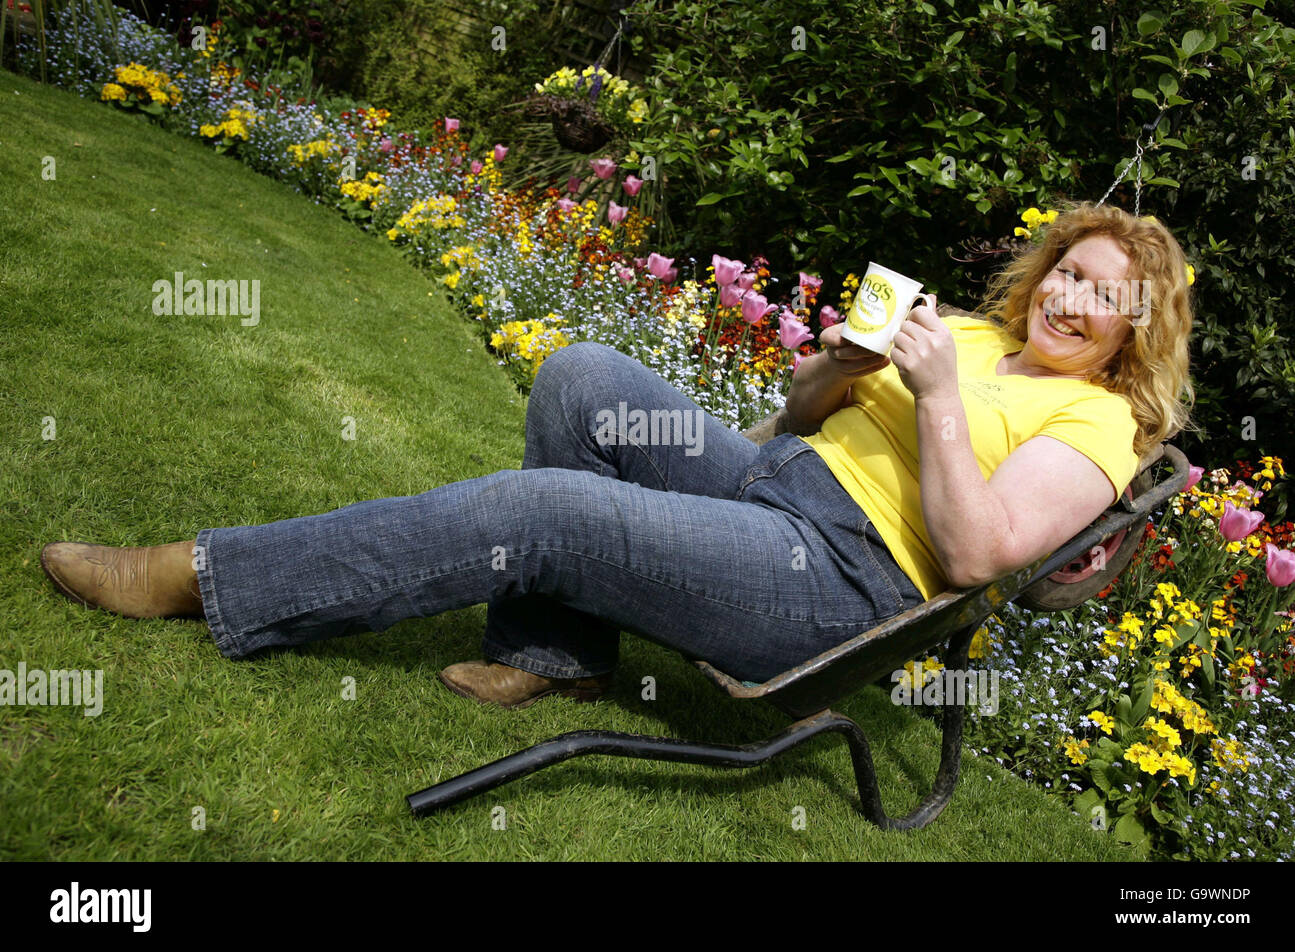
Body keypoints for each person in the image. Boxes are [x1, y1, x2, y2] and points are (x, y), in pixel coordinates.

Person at [40, 201, 1194, 708]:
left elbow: (978, 554)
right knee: (582, 373)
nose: (1073, 297)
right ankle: (556, 652)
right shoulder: (982, 332)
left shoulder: (1102, 424)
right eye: (1067, 271)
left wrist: (938, 403)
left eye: (1106, 294)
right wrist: (842, 368)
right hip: (775, 479)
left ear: (1134, 329)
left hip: (837, 582)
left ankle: (209, 577)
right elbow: (796, 417)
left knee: (543, 512)